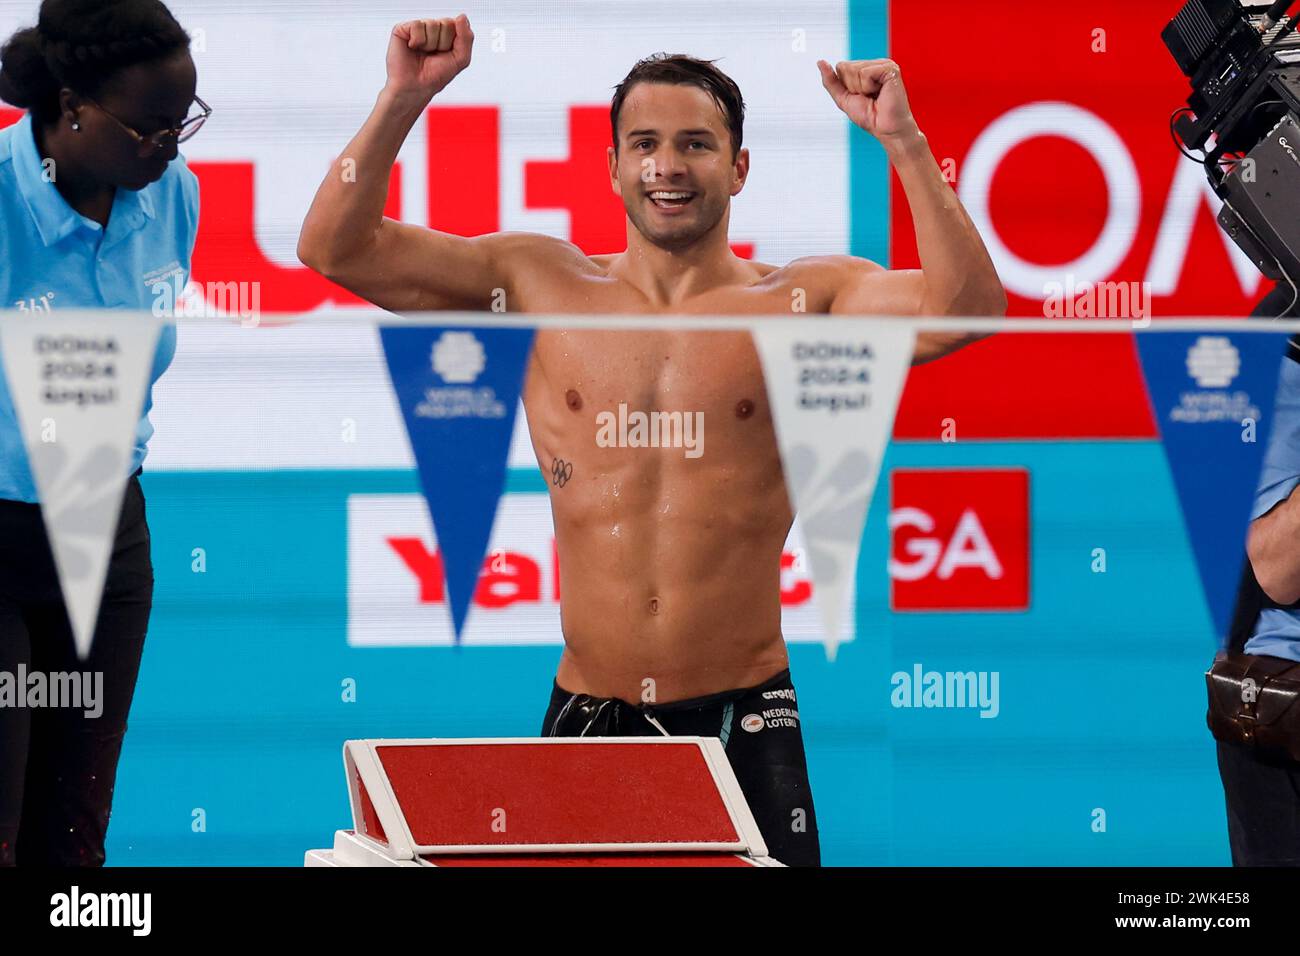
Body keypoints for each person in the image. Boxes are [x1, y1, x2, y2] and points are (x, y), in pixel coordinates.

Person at [298, 15, 1006, 866]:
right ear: (612, 167)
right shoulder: (535, 282)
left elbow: (966, 312)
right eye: (644, 144)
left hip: (747, 713)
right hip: (590, 710)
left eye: (696, 144)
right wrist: (403, 96)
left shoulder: (804, 300)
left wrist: (906, 144)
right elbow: (335, 248)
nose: (667, 165)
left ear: (739, 168)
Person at [0, 0, 205, 866]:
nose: (168, 147)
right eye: (147, 128)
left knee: (72, 839)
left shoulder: (173, 197)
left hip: (107, 531)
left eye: (181, 123)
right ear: (71, 105)